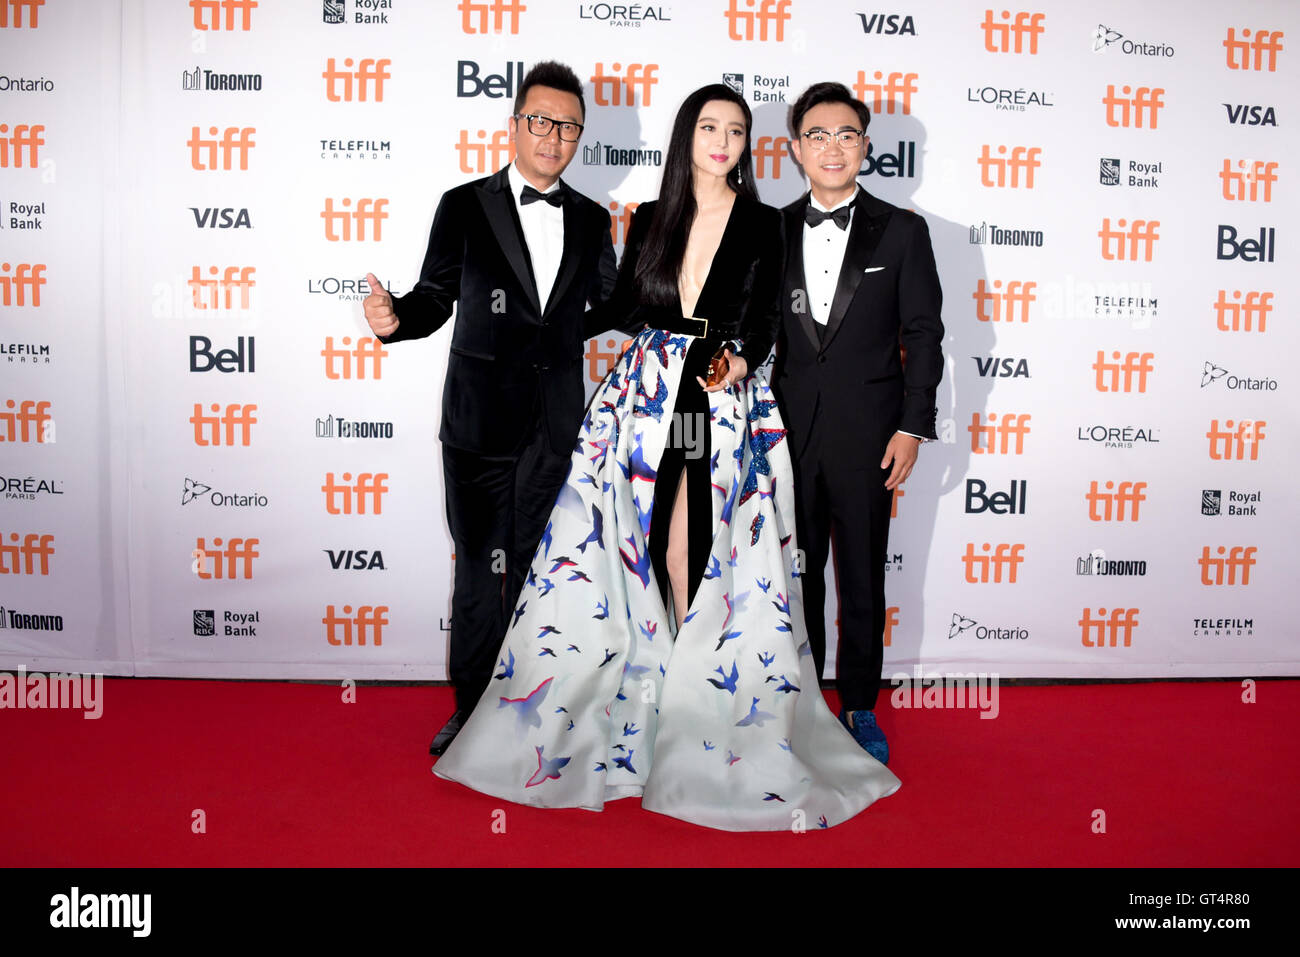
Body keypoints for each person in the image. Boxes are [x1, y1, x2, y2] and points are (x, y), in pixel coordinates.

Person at [433, 84, 900, 831]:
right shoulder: (651, 217)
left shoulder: (762, 223)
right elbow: (622, 307)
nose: (722, 140)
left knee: (700, 556)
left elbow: (761, 324)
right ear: (688, 136)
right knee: (629, 555)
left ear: (750, 145)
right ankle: (640, 707)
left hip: (716, 403)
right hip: (644, 399)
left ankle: (694, 709)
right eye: (709, 126)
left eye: (737, 130)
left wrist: (739, 364)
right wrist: (546, 332)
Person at [362, 62, 618, 756]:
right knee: (480, 565)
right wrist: (394, 321)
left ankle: (532, 704)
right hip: (477, 425)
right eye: (540, 121)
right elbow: (434, 295)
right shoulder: (464, 205)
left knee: (539, 568)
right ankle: (471, 709)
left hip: (554, 426)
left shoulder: (593, 218)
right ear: (513, 126)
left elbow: (608, 305)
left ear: (579, 135)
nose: (553, 137)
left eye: (568, 126)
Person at [773, 82, 945, 764]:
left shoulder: (903, 231)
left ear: (866, 146)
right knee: (799, 576)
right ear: (795, 148)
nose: (832, 147)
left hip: (871, 436)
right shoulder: (773, 227)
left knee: (864, 580)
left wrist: (914, 425)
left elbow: (925, 333)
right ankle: (806, 702)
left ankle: (862, 708)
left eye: (847, 135)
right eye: (817, 135)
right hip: (785, 434)